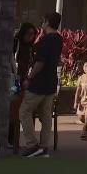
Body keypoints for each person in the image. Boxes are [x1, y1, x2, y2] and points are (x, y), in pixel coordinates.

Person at [19, 13, 63, 157]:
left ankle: (32, 144)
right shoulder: (58, 39)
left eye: (43, 22)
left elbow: (40, 62)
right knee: (46, 116)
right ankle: (44, 147)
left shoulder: (45, 41)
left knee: (24, 111)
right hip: (51, 83)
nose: (41, 25)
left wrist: (29, 78)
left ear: (47, 22)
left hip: (39, 83)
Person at [9, 22, 38, 149]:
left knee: (24, 111)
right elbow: (12, 60)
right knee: (12, 111)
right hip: (14, 79)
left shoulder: (31, 48)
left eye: (33, 34)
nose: (31, 37)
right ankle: (10, 140)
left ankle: (19, 140)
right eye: (29, 34)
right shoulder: (16, 44)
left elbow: (31, 64)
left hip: (25, 80)